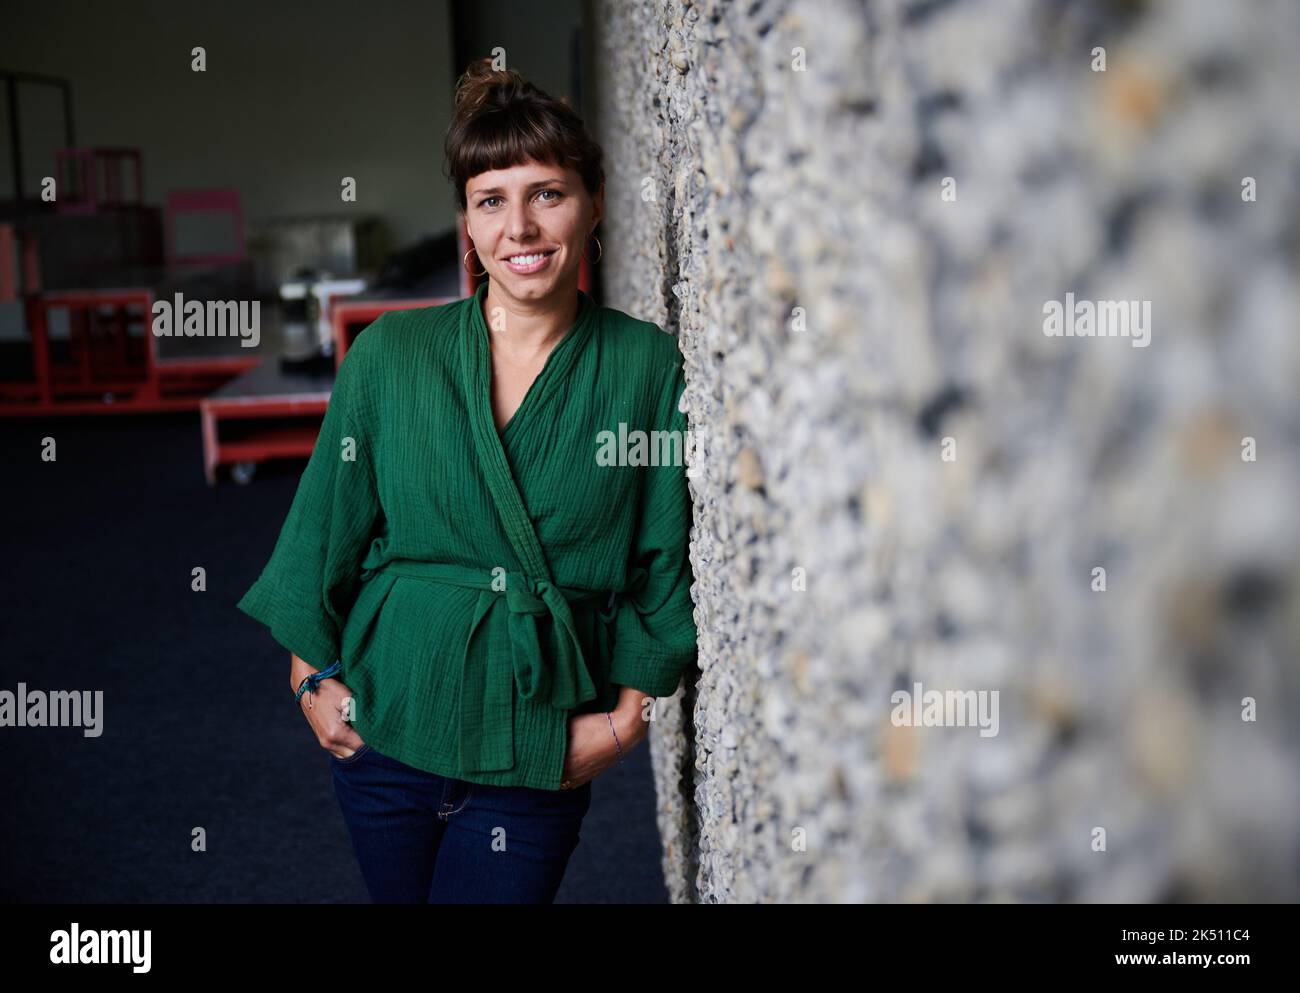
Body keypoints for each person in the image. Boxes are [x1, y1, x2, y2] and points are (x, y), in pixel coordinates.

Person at [236, 58, 698, 904]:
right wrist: (310, 679)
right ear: (468, 225)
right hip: (386, 717)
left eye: (547, 194)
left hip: (539, 738)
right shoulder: (391, 353)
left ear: (593, 202)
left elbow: (661, 555)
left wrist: (626, 719)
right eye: (492, 200)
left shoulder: (643, 365)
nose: (520, 227)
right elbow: (324, 527)